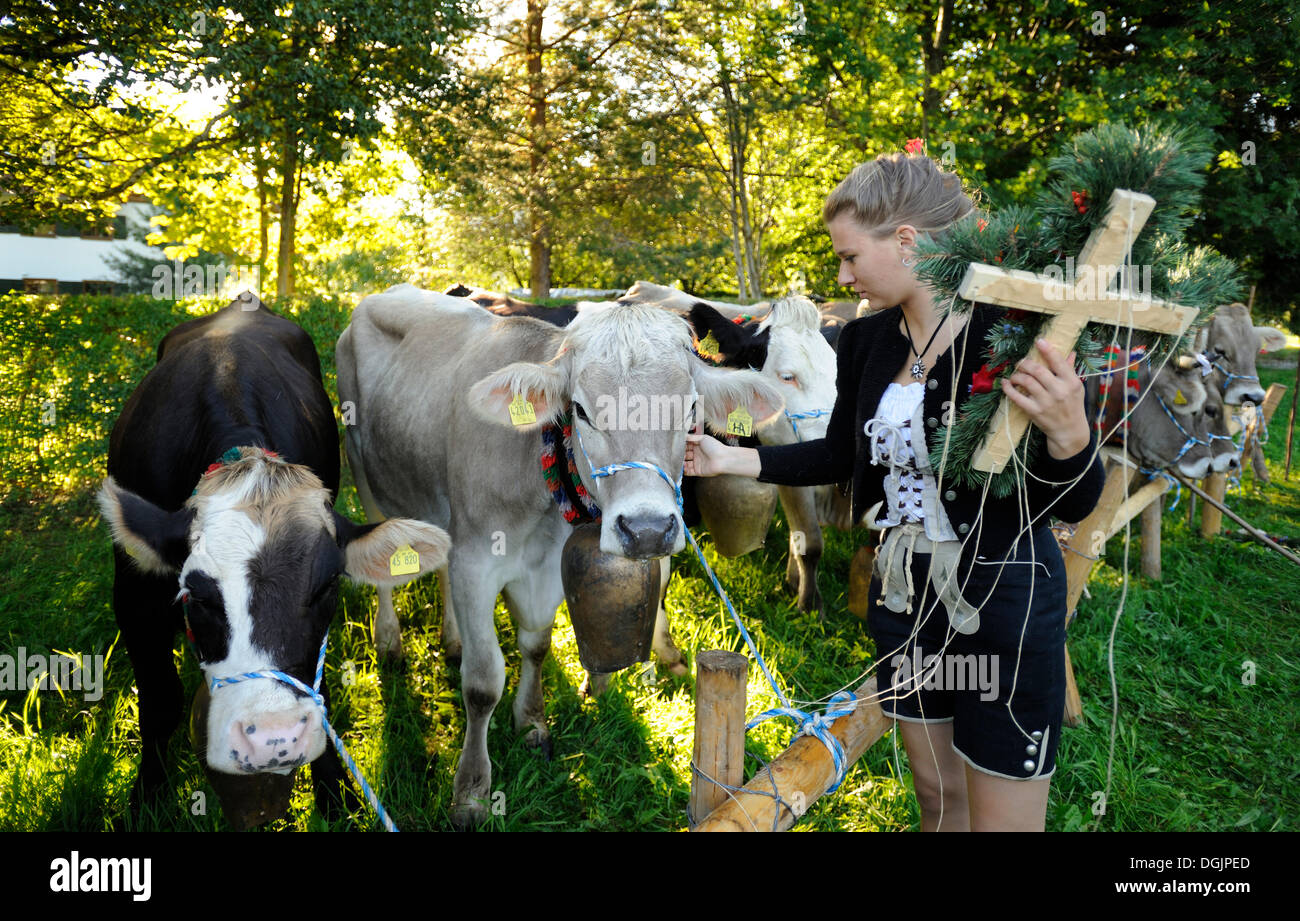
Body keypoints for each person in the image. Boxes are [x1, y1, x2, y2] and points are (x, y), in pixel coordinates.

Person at [684, 152, 1105, 832]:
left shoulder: (1016, 335)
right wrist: (730, 456)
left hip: (1002, 607)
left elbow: (1076, 502)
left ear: (906, 241)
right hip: (903, 599)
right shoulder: (864, 339)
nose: (842, 275)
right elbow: (842, 453)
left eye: (850, 257)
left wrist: (1071, 433)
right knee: (940, 803)